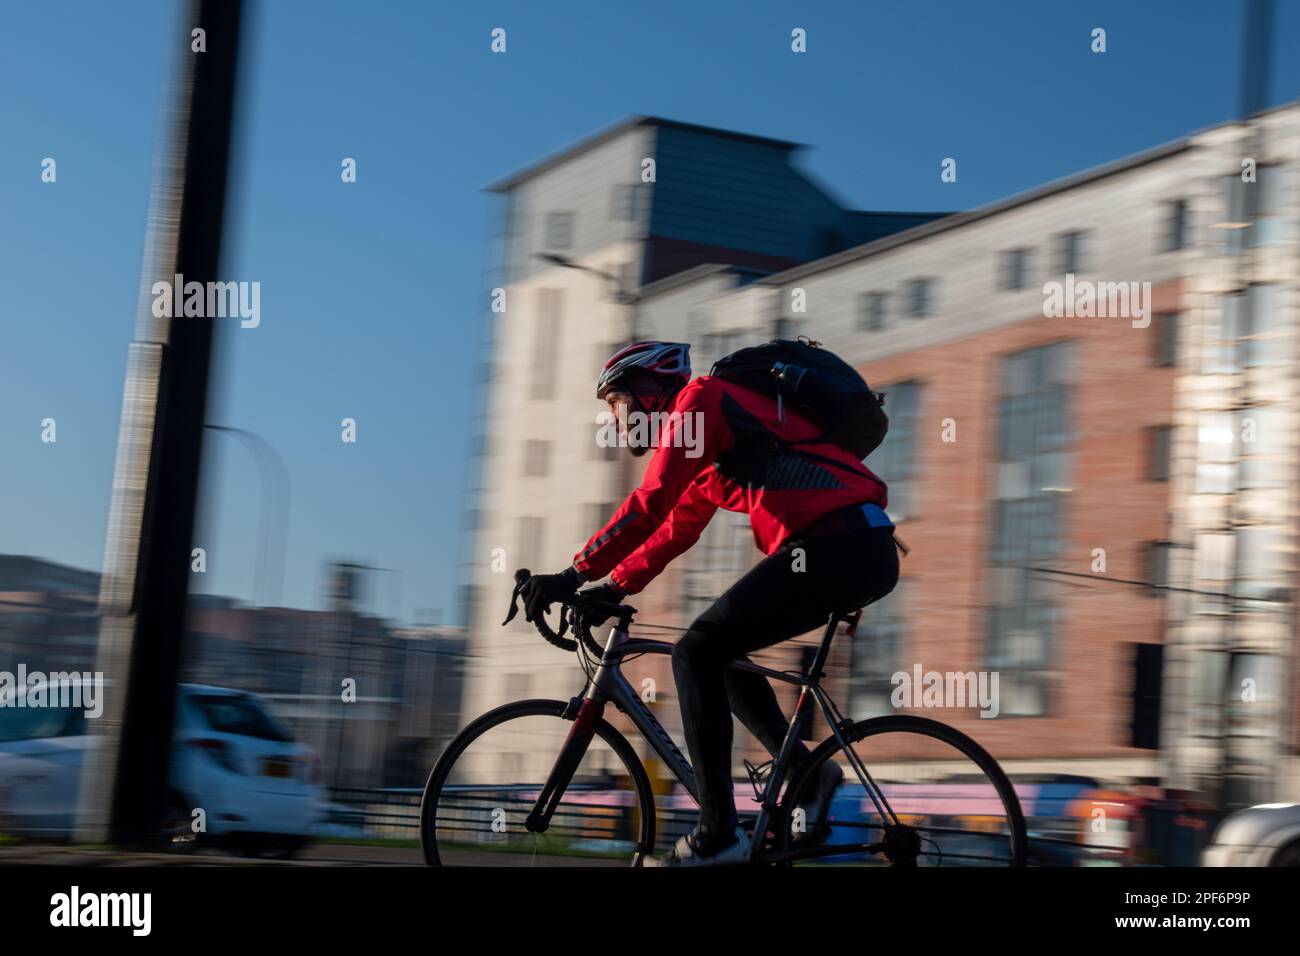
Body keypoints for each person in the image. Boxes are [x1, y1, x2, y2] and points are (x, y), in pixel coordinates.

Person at [520, 340, 900, 866]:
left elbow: (649, 503)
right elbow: (678, 524)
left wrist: (572, 573)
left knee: (695, 651)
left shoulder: (703, 400)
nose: (617, 418)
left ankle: (719, 832)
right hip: (845, 547)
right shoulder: (715, 440)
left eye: (618, 402)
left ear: (652, 389)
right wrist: (613, 588)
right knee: (713, 651)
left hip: (839, 544)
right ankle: (808, 776)